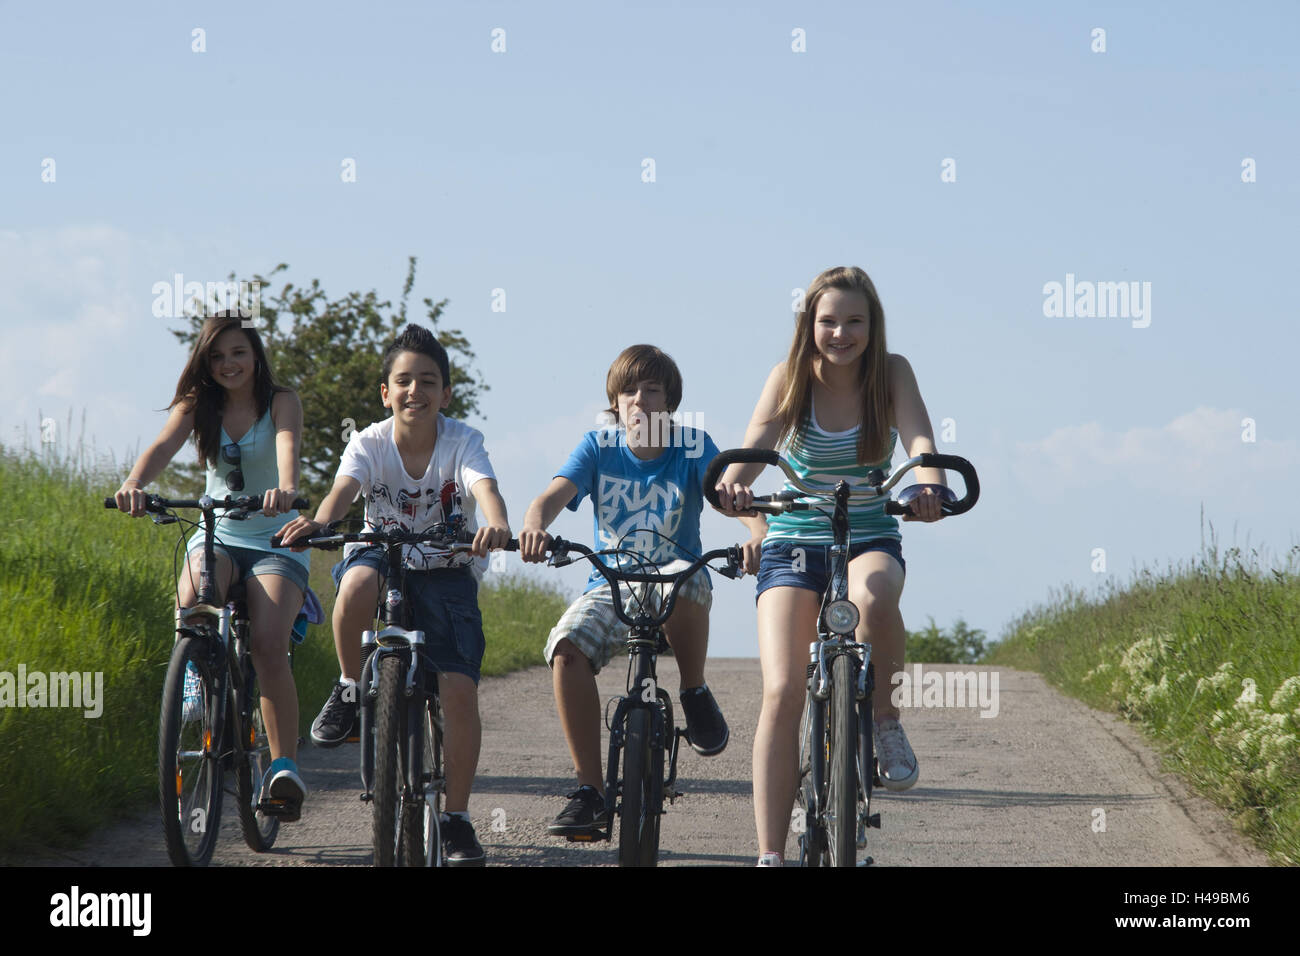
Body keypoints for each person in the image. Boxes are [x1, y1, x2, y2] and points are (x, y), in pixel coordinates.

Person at [712, 266, 954, 866]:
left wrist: (931, 489)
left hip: (869, 531)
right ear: (808, 324)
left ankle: (887, 722)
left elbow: (921, 442)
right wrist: (734, 490)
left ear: (873, 325)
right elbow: (753, 449)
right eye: (827, 321)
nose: (840, 333)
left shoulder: (892, 374)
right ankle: (770, 854)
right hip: (794, 539)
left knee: (873, 599)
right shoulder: (788, 377)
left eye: (853, 321)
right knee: (783, 690)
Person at [277, 324, 510, 866]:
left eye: (428, 381)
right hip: (380, 552)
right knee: (356, 580)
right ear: (386, 393)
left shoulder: (463, 441)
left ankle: (455, 818)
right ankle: (348, 686)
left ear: (446, 394)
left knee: (457, 691)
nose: (415, 391)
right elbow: (343, 490)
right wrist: (321, 521)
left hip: (446, 566)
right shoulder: (369, 442)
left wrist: (496, 525)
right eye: (403, 381)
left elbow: (486, 489)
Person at [518, 344, 750, 838]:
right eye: (629, 391)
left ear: (670, 402)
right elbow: (550, 497)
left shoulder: (692, 445)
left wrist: (757, 534)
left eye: (652, 390)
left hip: (675, 570)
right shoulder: (598, 446)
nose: (640, 400)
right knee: (565, 649)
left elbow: (729, 496)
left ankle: (693, 689)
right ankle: (590, 791)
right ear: (615, 402)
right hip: (613, 578)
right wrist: (535, 526)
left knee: (686, 577)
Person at [114, 311, 311, 818]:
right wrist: (135, 483)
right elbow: (162, 445)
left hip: (275, 538)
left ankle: (282, 765)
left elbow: (287, 444)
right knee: (194, 603)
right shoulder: (198, 404)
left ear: (255, 355)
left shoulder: (280, 401)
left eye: (238, 353)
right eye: (217, 355)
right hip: (219, 531)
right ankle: (197, 681)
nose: (228, 364)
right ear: (206, 361)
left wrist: (285, 488)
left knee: (268, 643)